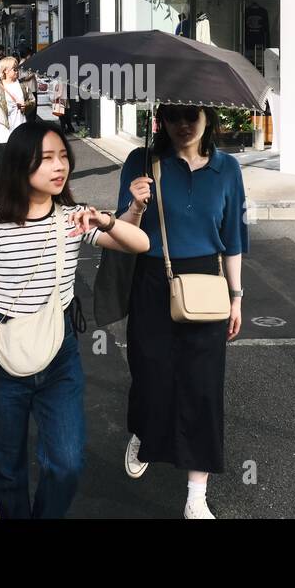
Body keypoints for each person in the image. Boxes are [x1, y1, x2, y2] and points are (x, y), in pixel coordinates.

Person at [0, 121, 149, 519]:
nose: (59, 167)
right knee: (6, 470)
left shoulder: (74, 218)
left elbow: (139, 244)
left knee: (67, 463)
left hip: (59, 354)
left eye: (63, 157)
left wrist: (118, 216)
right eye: (46, 159)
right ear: (19, 166)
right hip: (0, 356)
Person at [115, 104, 248, 519]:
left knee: (203, 387)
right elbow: (122, 231)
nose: (183, 125)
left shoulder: (227, 170)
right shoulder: (142, 161)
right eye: (173, 116)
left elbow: (234, 237)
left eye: (192, 115)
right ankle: (144, 429)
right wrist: (136, 205)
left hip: (208, 283)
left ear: (209, 117)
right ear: (161, 120)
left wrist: (237, 295)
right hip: (152, 278)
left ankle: (196, 494)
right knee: (150, 373)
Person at [0, 57, 32, 149]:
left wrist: (27, 106)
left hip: (20, 123)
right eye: (14, 69)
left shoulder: (22, 85)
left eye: (17, 69)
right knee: (5, 157)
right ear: (5, 71)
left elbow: (32, 100)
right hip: (4, 127)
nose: (17, 71)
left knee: (20, 156)